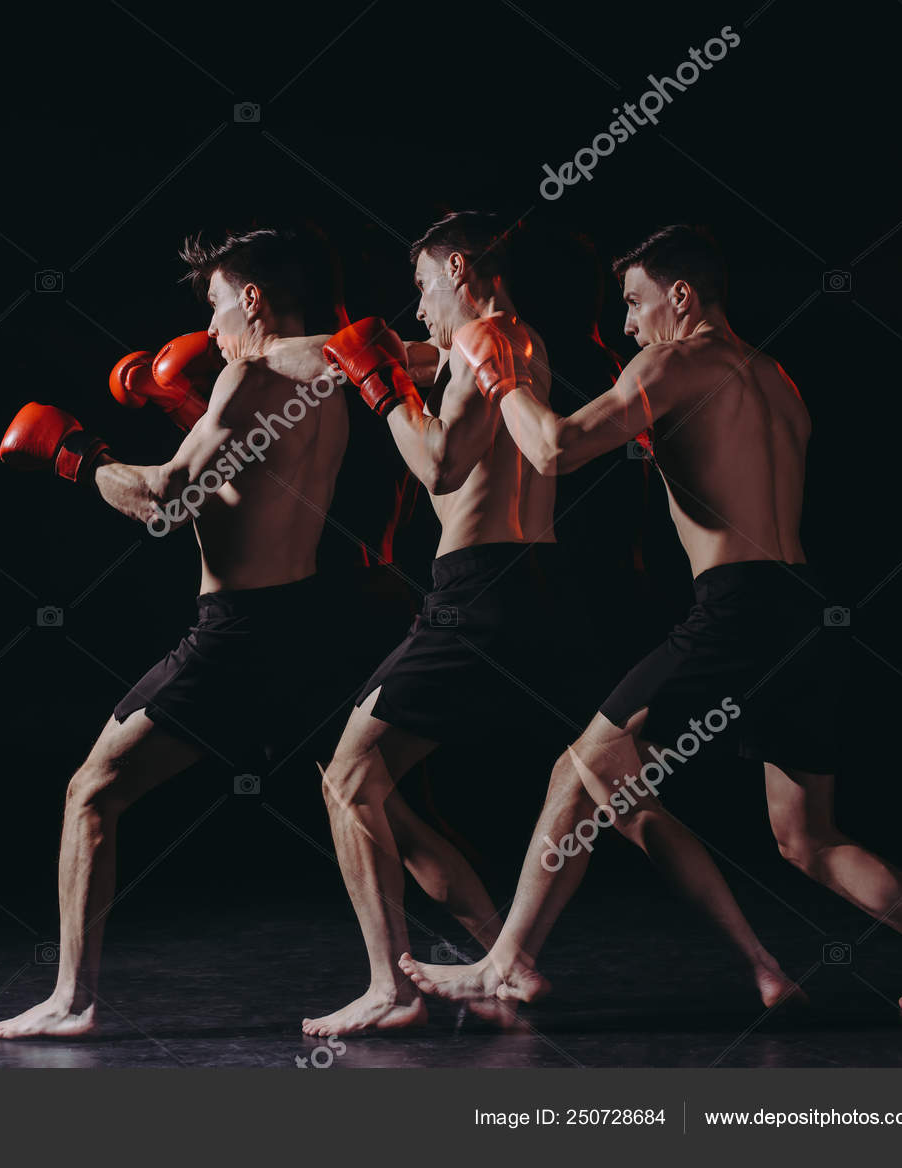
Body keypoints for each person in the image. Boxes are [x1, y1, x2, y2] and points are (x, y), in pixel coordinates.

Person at [404, 224, 902, 1012]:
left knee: (582, 766)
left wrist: (499, 382)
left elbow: (554, 450)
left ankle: (505, 963)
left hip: (739, 608)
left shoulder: (671, 361)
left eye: (635, 303)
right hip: (805, 605)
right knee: (811, 839)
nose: (627, 323)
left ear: (682, 296)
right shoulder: (776, 377)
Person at [0, 227, 352, 1038]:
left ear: (253, 299)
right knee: (364, 800)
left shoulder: (250, 374)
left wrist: (76, 455)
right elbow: (231, 487)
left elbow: (164, 497)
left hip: (238, 632)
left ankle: (70, 1001)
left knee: (91, 792)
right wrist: (193, 411)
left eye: (218, 303)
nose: (211, 325)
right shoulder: (333, 368)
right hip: (311, 618)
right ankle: (498, 962)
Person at [301, 212, 608, 1036]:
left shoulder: (485, 338)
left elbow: (439, 462)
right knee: (611, 785)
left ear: (460, 268)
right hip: (519, 584)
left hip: (478, 591)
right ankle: (502, 961)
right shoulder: (509, 339)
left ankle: (392, 988)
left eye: (424, 287)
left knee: (347, 779)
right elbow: (385, 355)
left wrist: (383, 389)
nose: (419, 308)